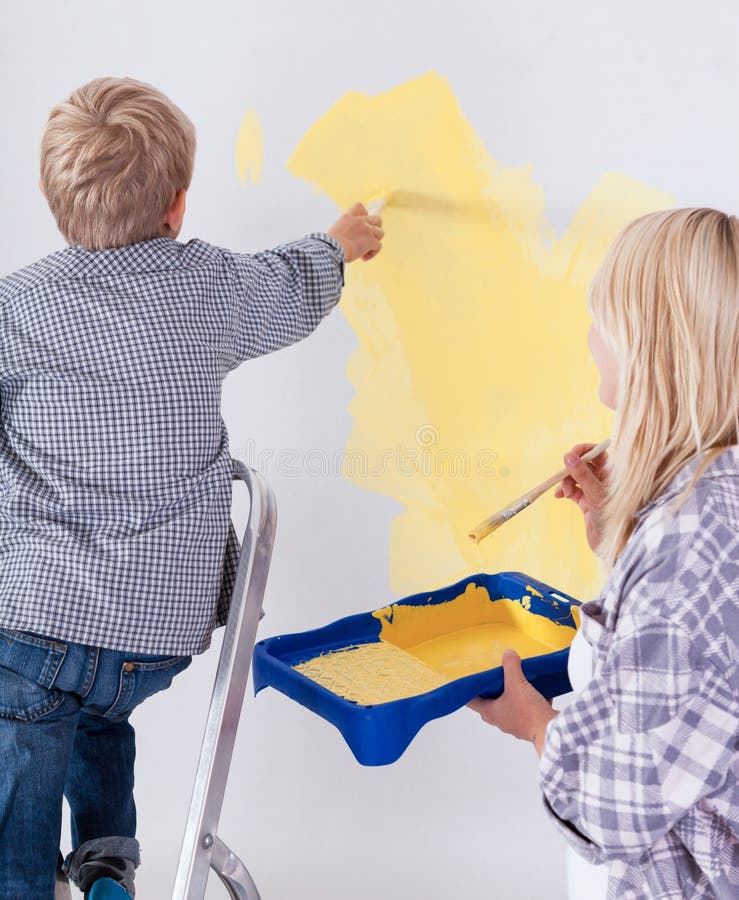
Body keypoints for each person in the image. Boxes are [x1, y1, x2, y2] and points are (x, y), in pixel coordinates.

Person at [0, 75, 384, 900]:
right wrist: (339, 242)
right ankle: (106, 867)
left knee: (25, 740)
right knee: (100, 715)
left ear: (53, 198)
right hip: (158, 631)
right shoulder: (207, 286)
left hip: (35, 635)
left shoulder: (15, 310)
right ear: (176, 208)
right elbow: (289, 283)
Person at [469, 208, 739, 899]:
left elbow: (617, 802)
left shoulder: (689, 549)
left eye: (602, 322)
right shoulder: (708, 506)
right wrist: (621, 543)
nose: (589, 341)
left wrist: (533, 723)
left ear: (650, 344)